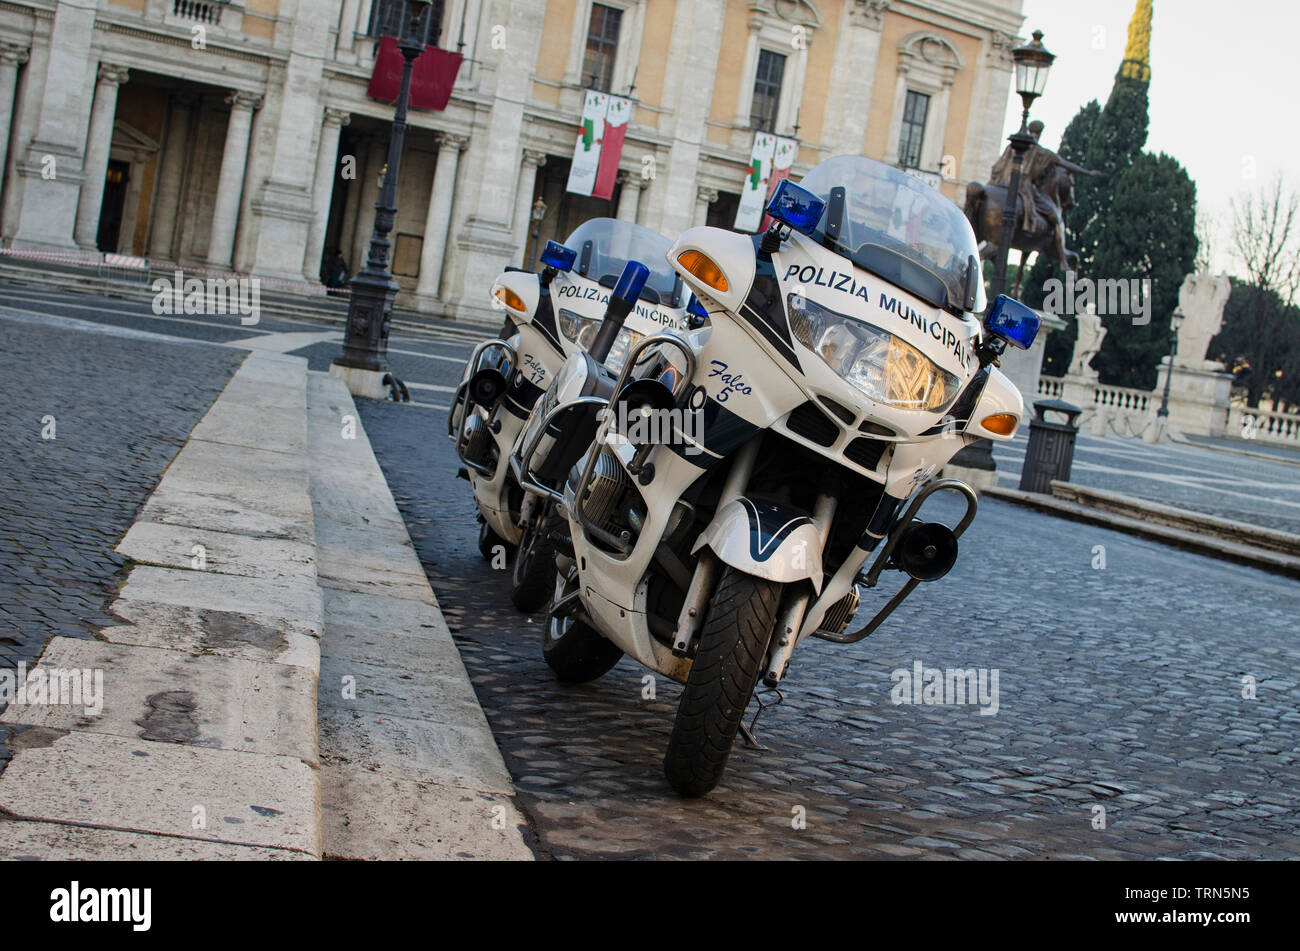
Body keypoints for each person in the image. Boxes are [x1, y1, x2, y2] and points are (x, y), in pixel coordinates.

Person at [989, 121, 1096, 234]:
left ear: (1029, 130)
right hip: (1023, 187)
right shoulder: (1043, 153)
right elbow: (1067, 165)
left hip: (1001, 182)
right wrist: (1088, 173)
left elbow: (998, 166)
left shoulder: (1011, 146)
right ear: (1040, 133)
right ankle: (1034, 228)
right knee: (1053, 215)